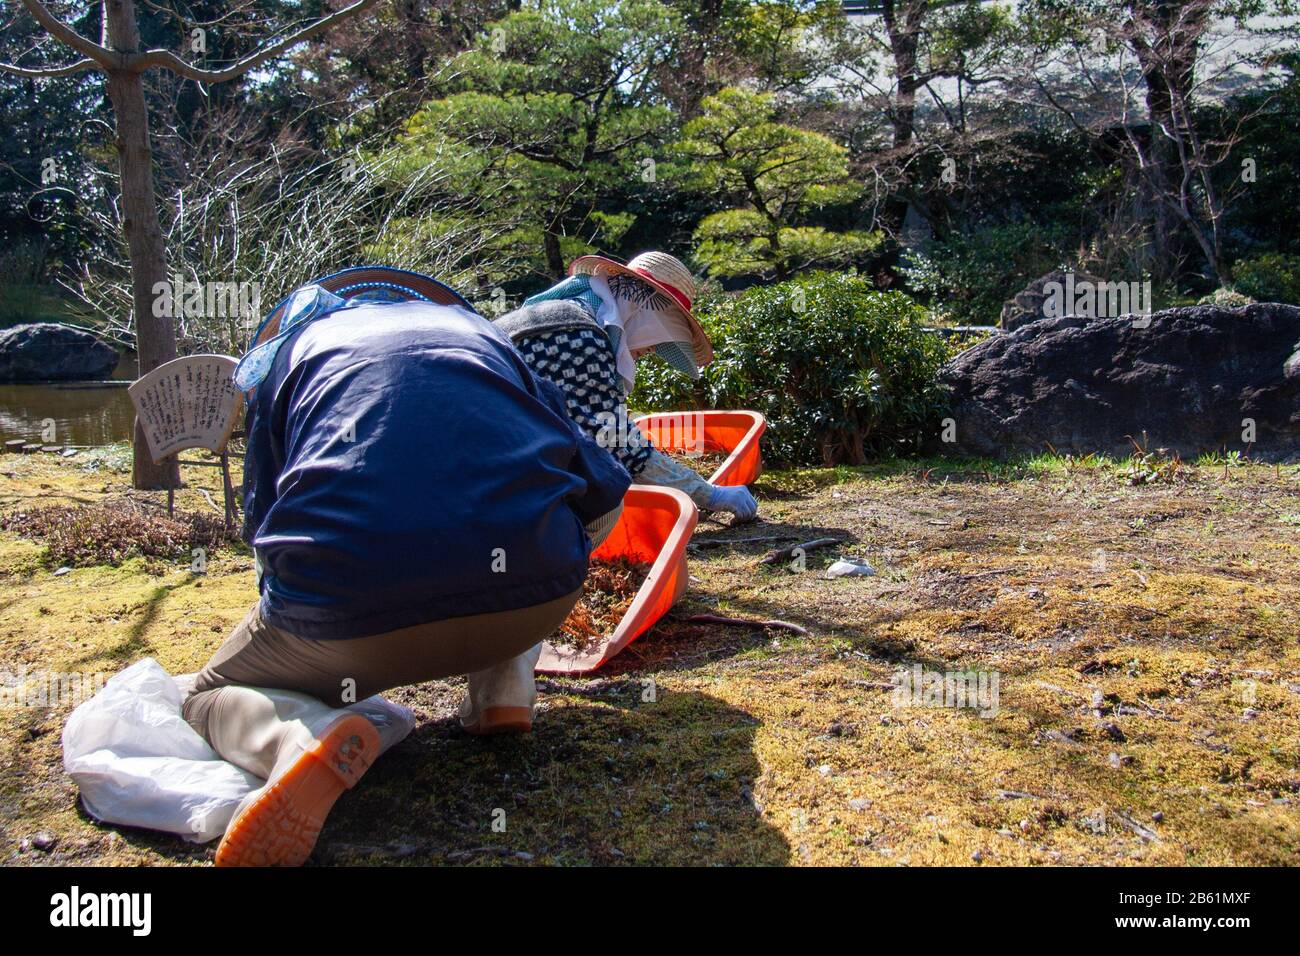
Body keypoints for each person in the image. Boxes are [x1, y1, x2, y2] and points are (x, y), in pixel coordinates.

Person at [182, 267, 630, 866]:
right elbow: (598, 479)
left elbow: (263, 526)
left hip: (349, 621)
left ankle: (296, 738)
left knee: (206, 694)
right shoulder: (480, 334)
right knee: (531, 519)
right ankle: (504, 686)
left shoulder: (296, 351)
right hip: (532, 597)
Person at [493, 251, 760, 522]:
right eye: (661, 333)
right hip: (497, 487)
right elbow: (619, 443)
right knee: (607, 506)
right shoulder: (578, 334)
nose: (653, 348)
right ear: (642, 307)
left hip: (495, 470)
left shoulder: (559, 316)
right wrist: (711, 494)